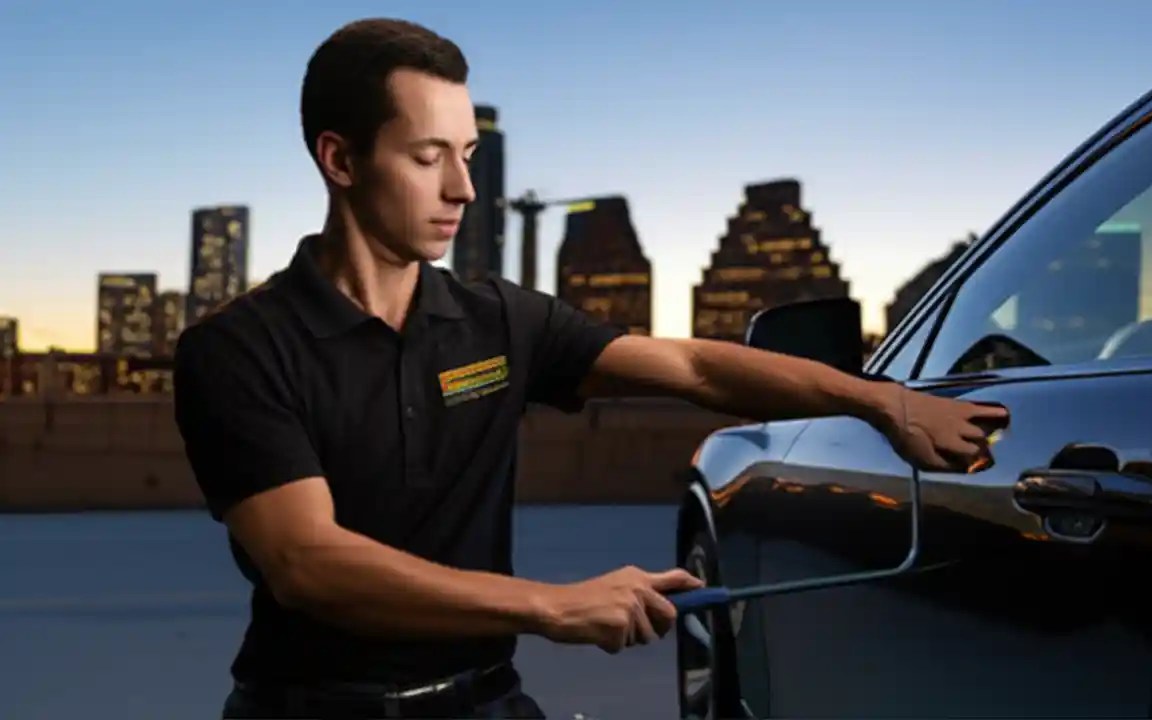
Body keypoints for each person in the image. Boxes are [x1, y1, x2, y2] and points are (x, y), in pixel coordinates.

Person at [172, 16, 1010, 720]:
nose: (463, 187)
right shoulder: (240, 349)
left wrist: (879, 402)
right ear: (342, 161)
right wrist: (554, 604)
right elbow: (309, 563)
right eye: (430, 157)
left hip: (488, 701)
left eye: (468, 153)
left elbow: (692, 368)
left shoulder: (497, 318)